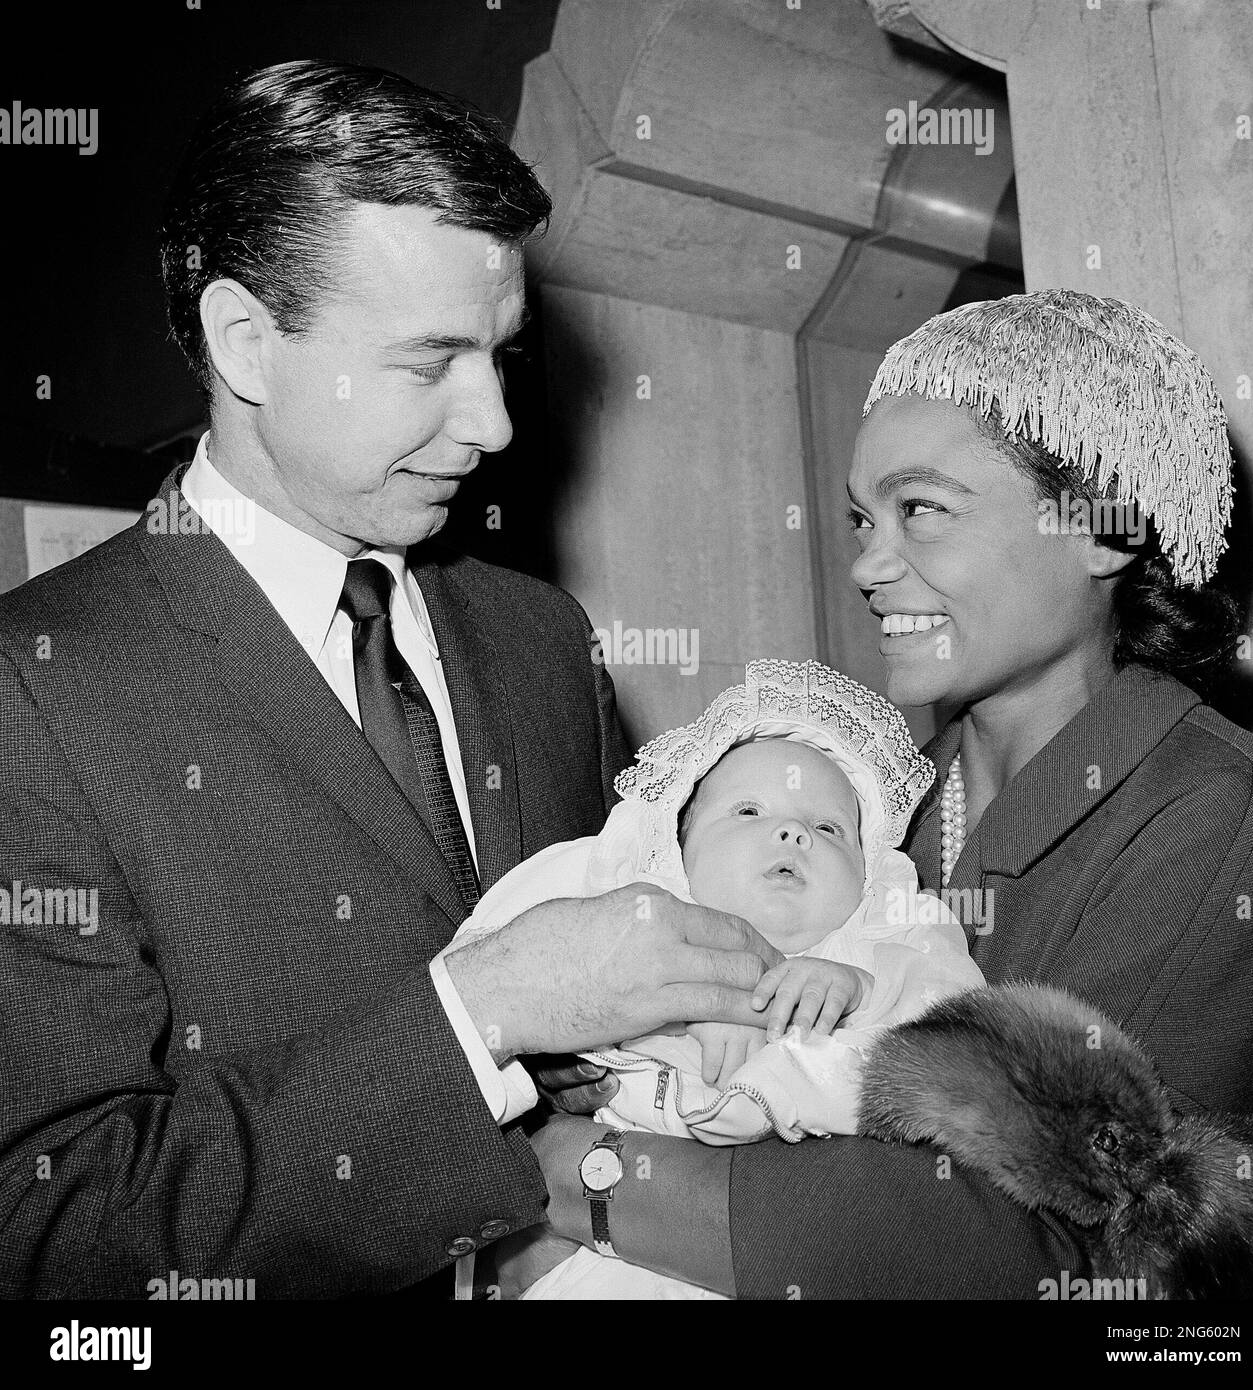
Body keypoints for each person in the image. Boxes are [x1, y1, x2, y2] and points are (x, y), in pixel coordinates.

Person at [0, 59, 780, 1300]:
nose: (496, 427)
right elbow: (55, 1233)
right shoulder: (31, 694)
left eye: (502, 358)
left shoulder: (540, 637)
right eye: (429, 364)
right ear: (245, 342)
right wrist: (481, 1011)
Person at [520, 290, 1253, 1299]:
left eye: (921, 510)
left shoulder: (1218, 816)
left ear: (1103, 529)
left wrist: (575, 1169)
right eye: (859, 517)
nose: (868, 566)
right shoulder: (884, 803)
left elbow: (1046, 1250)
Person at [443, 659, 984, 1297]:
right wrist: (681, 1000)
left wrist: (863, 991)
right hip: (597, 1252)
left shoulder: (877, 943)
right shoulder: (628, 912)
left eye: (829, 828)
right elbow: (489, 971)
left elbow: (962, 1028)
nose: (791, 832)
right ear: (677, 843)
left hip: (786, 1250)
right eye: (748, 811)